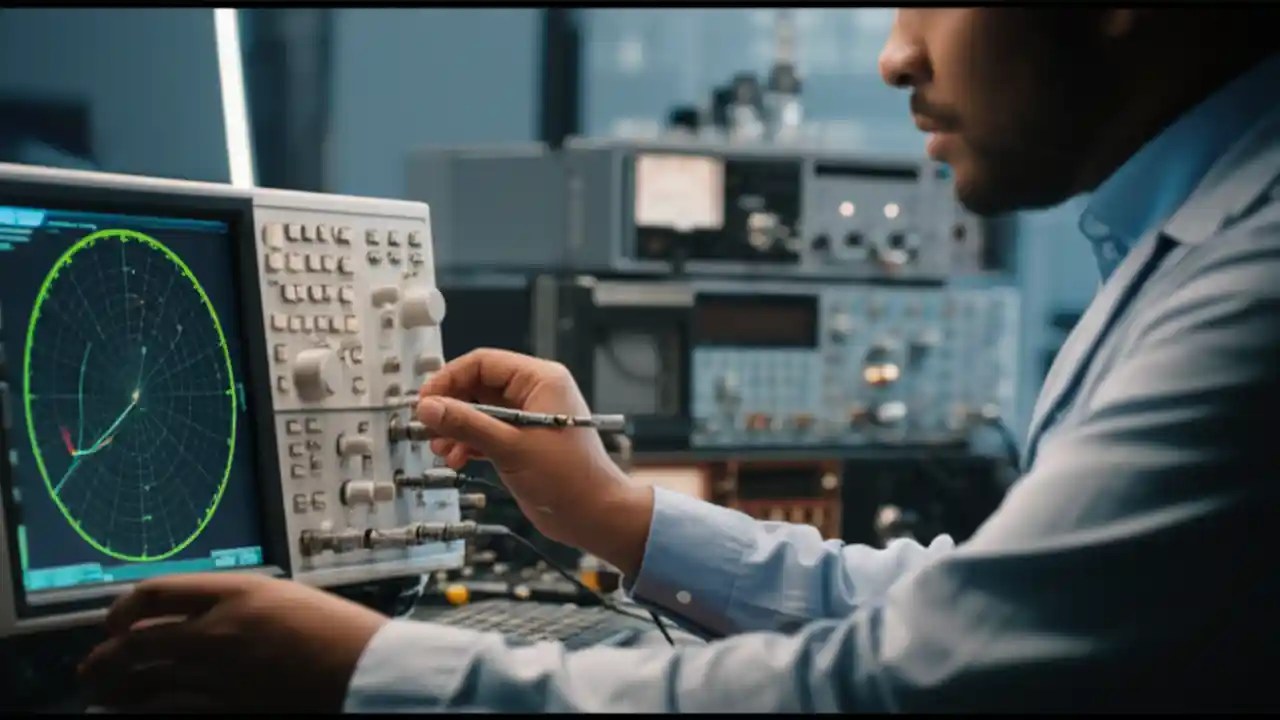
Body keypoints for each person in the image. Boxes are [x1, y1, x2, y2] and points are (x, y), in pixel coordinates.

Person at [79, 7, 1280, 712]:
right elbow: (962, 609)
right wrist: (615, 515)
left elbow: (892, 689)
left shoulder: (1247, 293)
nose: (894, 55)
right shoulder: (1189, 245)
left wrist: (372, 666)